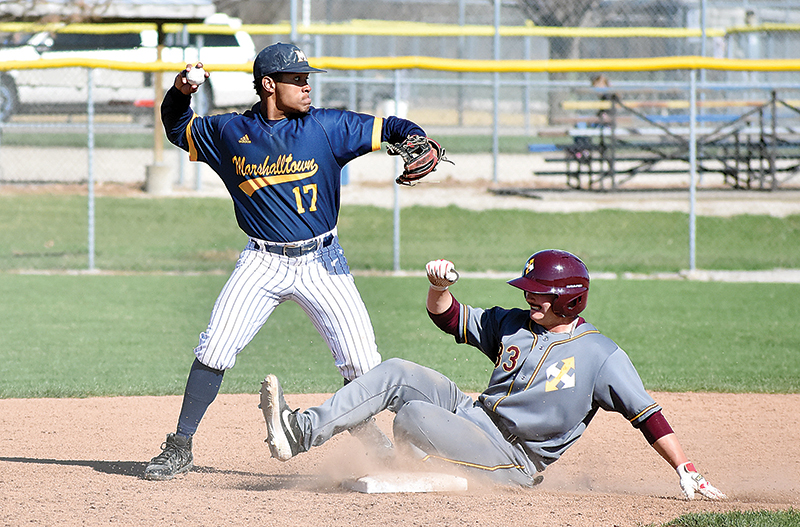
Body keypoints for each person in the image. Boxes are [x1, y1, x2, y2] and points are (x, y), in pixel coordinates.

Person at [144, 42, 433, 480]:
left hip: (323, 261)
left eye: (306, 78)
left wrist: (414, 137)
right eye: (296, 79)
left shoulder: (327, 127)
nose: (306, 86)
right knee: (215, 347)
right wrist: (181, 91)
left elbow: (392, 127)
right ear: (268, 85)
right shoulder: (230, 132)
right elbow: (176, 127)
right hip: (260, 262)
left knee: (363, 366)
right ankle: (180, 445)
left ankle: (374, 438)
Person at [259, 250, 726, 499]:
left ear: (568, 298)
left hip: (513, 458)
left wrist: (685, 469)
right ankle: (300, 431)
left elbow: (648, 415)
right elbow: (450, 317)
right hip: (472, 415)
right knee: (398, 372)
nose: (529, 298)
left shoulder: (600, 355)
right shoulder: (515, 324)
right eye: (529, 290)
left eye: (539, 293)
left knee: (415, 416)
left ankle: (403, 458)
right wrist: (438, 287)